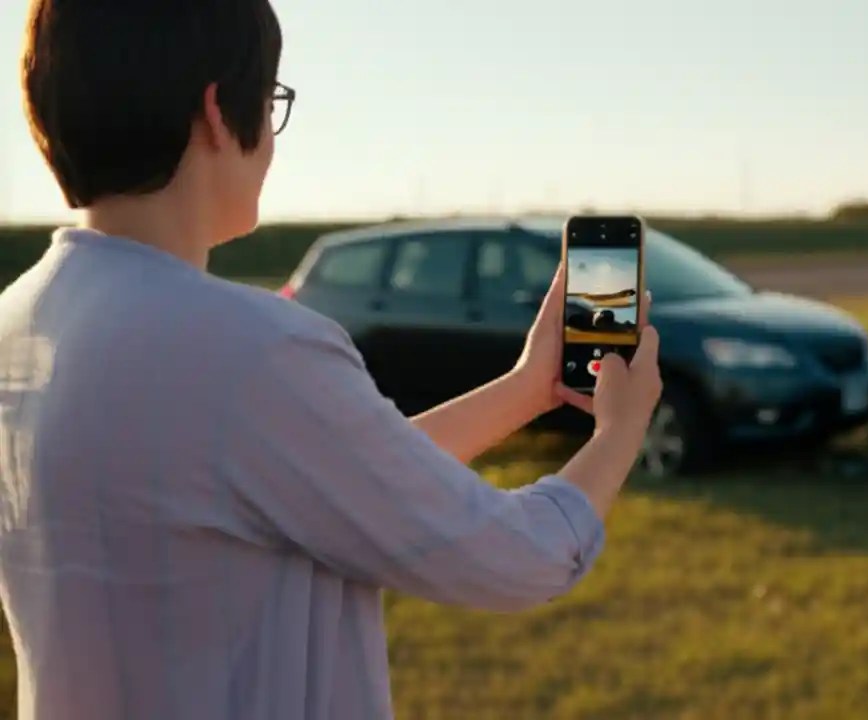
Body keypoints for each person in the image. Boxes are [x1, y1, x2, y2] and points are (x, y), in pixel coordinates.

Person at [0, 1, 662, 718]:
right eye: (272, 100)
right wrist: (619, 431)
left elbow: (336, 477)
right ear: (220, 112)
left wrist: (526, 389)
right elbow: (519, 556)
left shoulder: (18, 327)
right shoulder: (251, 350)